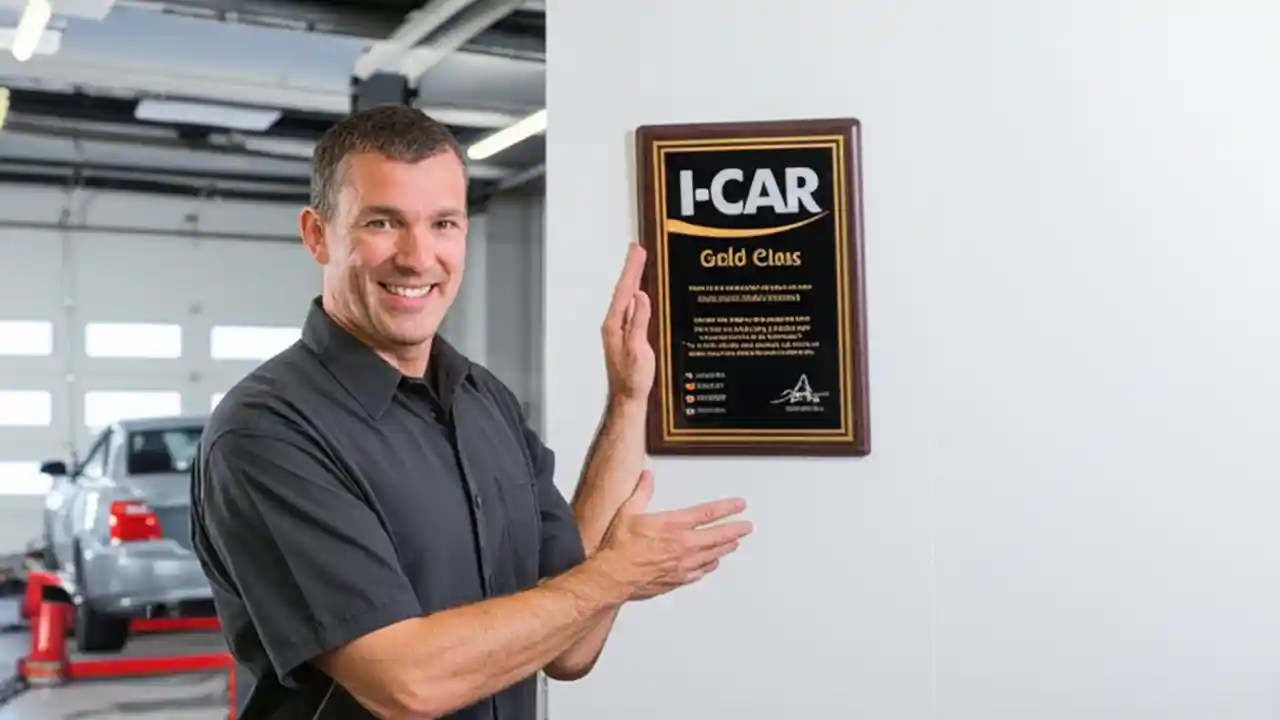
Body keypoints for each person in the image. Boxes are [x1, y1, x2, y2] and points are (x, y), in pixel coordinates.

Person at [189, 104, 753, 720]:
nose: (417, 256)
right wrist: (612, 578)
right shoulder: (267, 434)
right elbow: (406, 684)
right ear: (317, 234)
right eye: (382, 222)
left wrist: (627, 399)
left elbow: (570, 645)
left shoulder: (484, 401)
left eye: (443, 224)